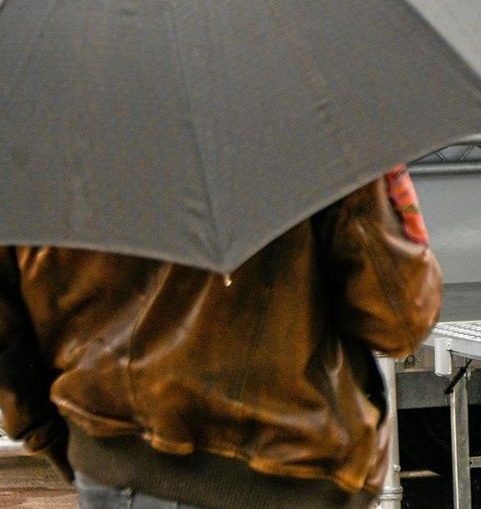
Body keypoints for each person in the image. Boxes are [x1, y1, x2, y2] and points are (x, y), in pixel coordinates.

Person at [0, 169, 442, 508]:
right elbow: (399, 321)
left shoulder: (38, 131)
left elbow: (8, 337)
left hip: (118, 474)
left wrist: (80, 446)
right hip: (288, 473)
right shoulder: (306, 115)